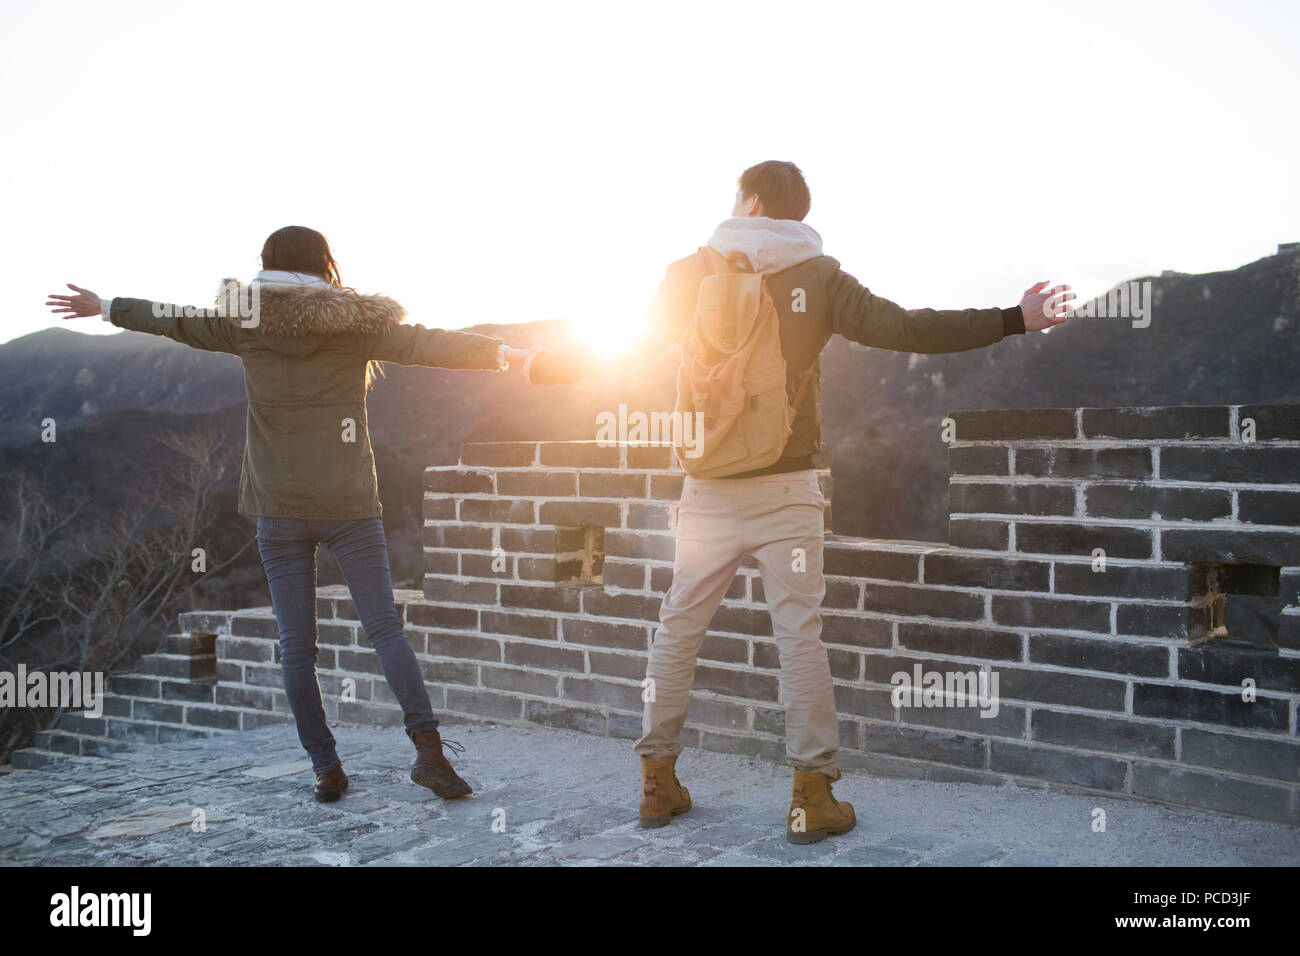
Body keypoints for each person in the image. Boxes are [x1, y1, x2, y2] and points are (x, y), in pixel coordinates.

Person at [526, 161, 1074, 844]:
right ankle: (811, 799)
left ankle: (657, 784)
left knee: (678, 631)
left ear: (749, 200)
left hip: (705, 488)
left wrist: (545, 364)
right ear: (794, 214)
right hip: (788, 488)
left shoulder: (689, 272)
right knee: (799, 640)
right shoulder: (819, 278)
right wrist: (1011, 319)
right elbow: (907, 329)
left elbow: (627, 341)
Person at [46, 225, 534, 804]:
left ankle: (326, 768)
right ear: (324, 265)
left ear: (266, 265)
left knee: (296, 646)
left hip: (277, 510)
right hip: (350, 505)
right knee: (385, 630)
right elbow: (429, 342)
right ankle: (429, 754)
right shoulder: (356, 327)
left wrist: (105, 306)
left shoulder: (245, 323)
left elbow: (174, 318)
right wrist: (507, 354)